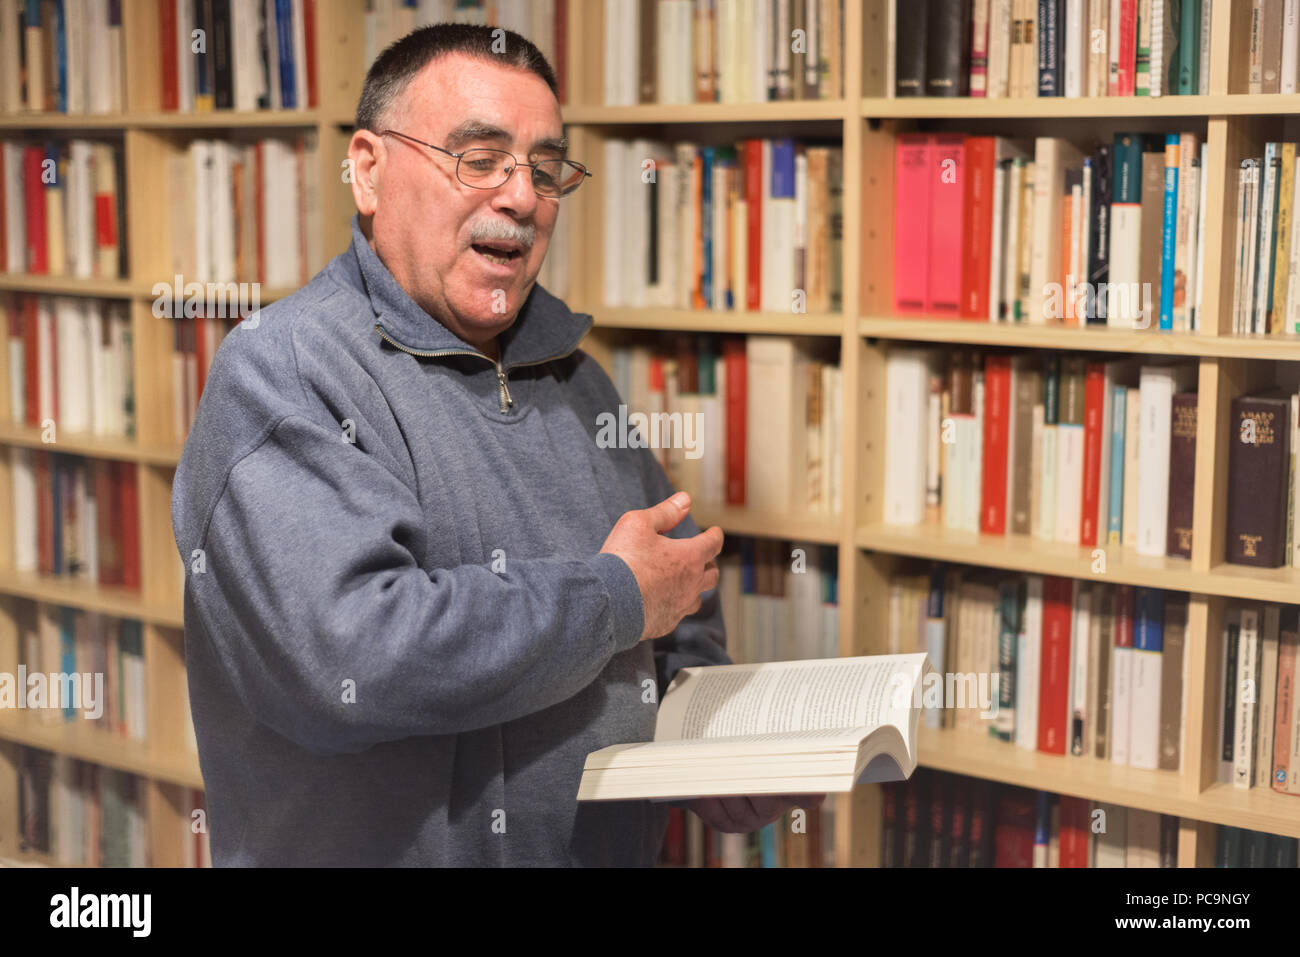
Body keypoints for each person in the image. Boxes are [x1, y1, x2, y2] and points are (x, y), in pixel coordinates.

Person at [170, 22, 817, 866]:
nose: (521, 197)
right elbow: (353, 654)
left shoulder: (582, 382)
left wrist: (712, 752)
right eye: (480, 158)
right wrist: (612, 596)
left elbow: (672, 613)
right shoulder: (282, 370)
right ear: (367, 169)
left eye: (545, 169)